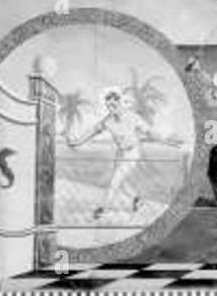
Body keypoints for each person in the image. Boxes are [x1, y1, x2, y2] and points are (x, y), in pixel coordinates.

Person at [66, 87, 176, 219]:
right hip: (120, 153)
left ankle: (103, 208)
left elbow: (149, 132)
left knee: (115, 180)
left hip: (133, 152)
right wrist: (77, 142)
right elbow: (92, 132)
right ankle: (138, 200)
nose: (111, 108)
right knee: (121, 182)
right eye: (108, 106)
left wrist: (166, 141)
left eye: (114, 105)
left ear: (120, 103)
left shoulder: (132, 117)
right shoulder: (108, 121)